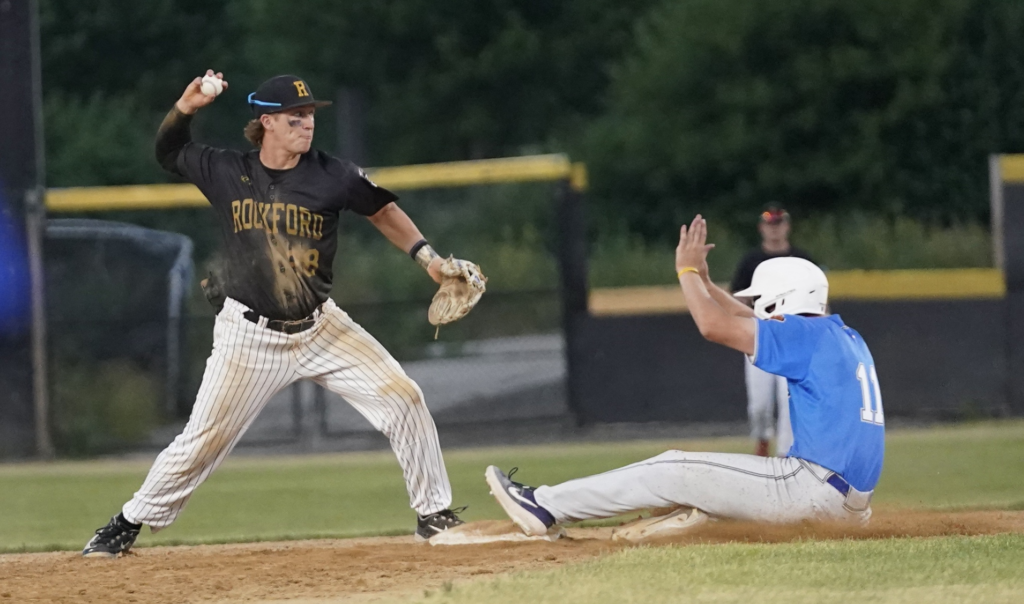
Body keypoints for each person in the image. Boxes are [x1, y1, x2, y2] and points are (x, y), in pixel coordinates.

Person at [83, 71, 472, 557]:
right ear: (266, 122)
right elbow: (168, 152)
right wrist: (187, 106)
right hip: (249, 337)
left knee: (404, 397)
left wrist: (429, 261)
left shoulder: (333, 174)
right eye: (295, 117)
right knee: (201, 441)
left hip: (322, 327)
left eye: (310, 116)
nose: (307, 125)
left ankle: (434, 515)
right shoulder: (226, 170)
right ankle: (127, 522)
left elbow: (381, 210)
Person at [485, 215, 884, 538]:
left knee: (673, 468)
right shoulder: (841, 336)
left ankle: (545, 505)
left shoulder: (804, 335)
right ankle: (695, 521)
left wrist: (687, 272)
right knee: (705, 486)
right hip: (849, 507)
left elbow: (714, 326)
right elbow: (751, 320)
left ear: (783, 298)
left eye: (764, 301)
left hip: (809, 489)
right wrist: (708, 284)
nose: (761, 309)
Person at [731, 206, 814, 457]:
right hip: (760, 338)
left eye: (779, 223)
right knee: (759, 405)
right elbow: (736, 301)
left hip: (791, 340)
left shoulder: (801, 260)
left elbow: (817, 299)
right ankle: (762, 439)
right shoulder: (751, 262)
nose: (774, 227)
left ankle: (784, 457)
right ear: (762, 227)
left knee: (789, 403)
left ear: (787, 226)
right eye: (770, 223)